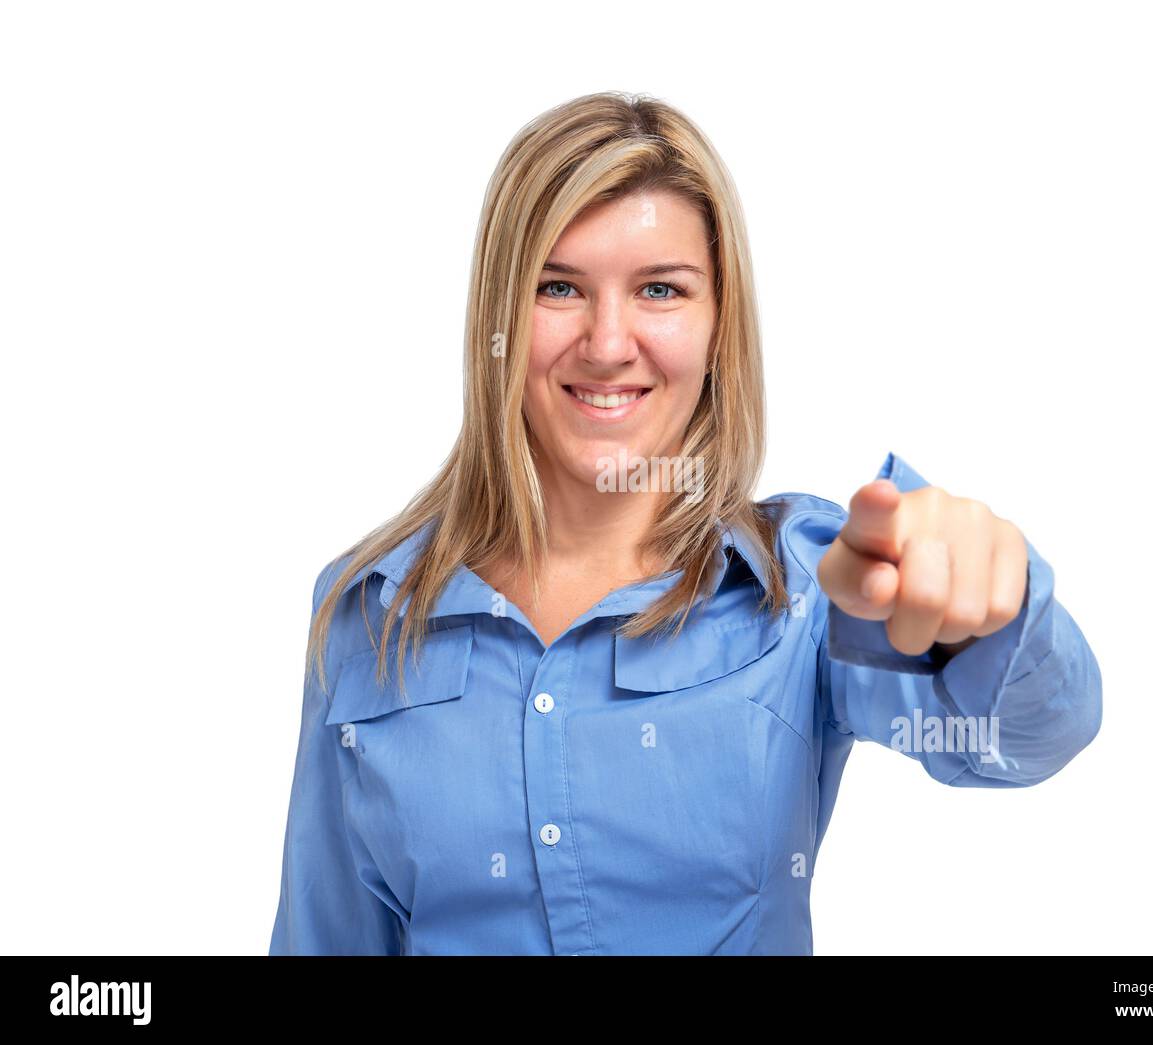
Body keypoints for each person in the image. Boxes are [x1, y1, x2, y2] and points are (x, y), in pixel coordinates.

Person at [268, 91, 1102, 956]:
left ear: (717, 326)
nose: (606, 342)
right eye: (558, 287)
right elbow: (322, 937)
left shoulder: (804, 589)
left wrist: (996, 618)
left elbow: (1034, 736)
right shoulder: (368, 611)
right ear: (499, 320)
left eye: (660, 289)